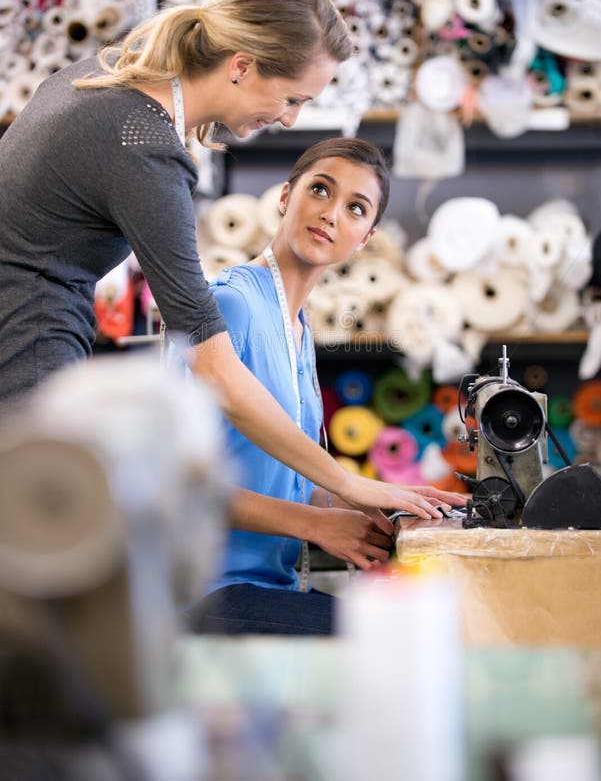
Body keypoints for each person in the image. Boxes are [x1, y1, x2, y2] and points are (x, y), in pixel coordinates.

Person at [0, 0, 459, 517]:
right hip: (22, 342)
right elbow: (210, 363)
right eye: (293, 99)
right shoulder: (144, 148)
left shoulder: (103, 77)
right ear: (241, 67)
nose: (290, 120)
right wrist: (352, 486)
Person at [186, 138, 467, 635]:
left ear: (365, 238)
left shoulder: (298, 328)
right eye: (320, 190)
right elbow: (176, 485)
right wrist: (317, 524)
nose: (331, 214)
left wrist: (382, 503)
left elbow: (276, 480)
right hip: (204, 591)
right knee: (396, 642)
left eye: (355, 208)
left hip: (268, 585)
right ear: (285, 197)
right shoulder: (231, 306)